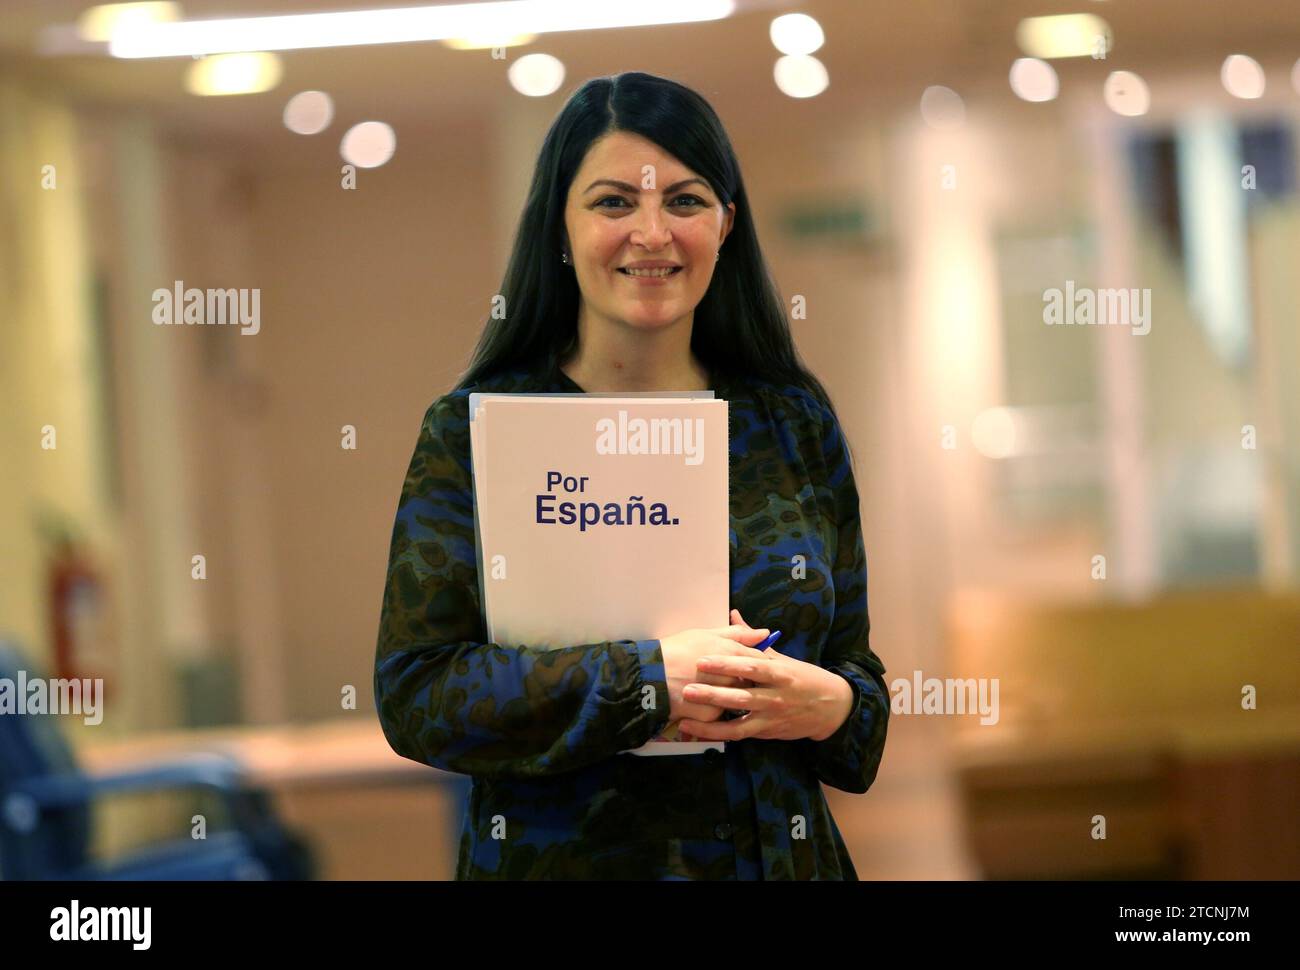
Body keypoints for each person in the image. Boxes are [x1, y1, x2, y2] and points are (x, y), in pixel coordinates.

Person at [374, 71, 889, 880]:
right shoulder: (476, 432)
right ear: (560, 226)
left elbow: (860, 686)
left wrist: (835, 706)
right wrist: (646, 678)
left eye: (684, 201)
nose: (652, 233)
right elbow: (418, 698)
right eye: (614, 202)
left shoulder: (792, 422)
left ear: (725, 223)